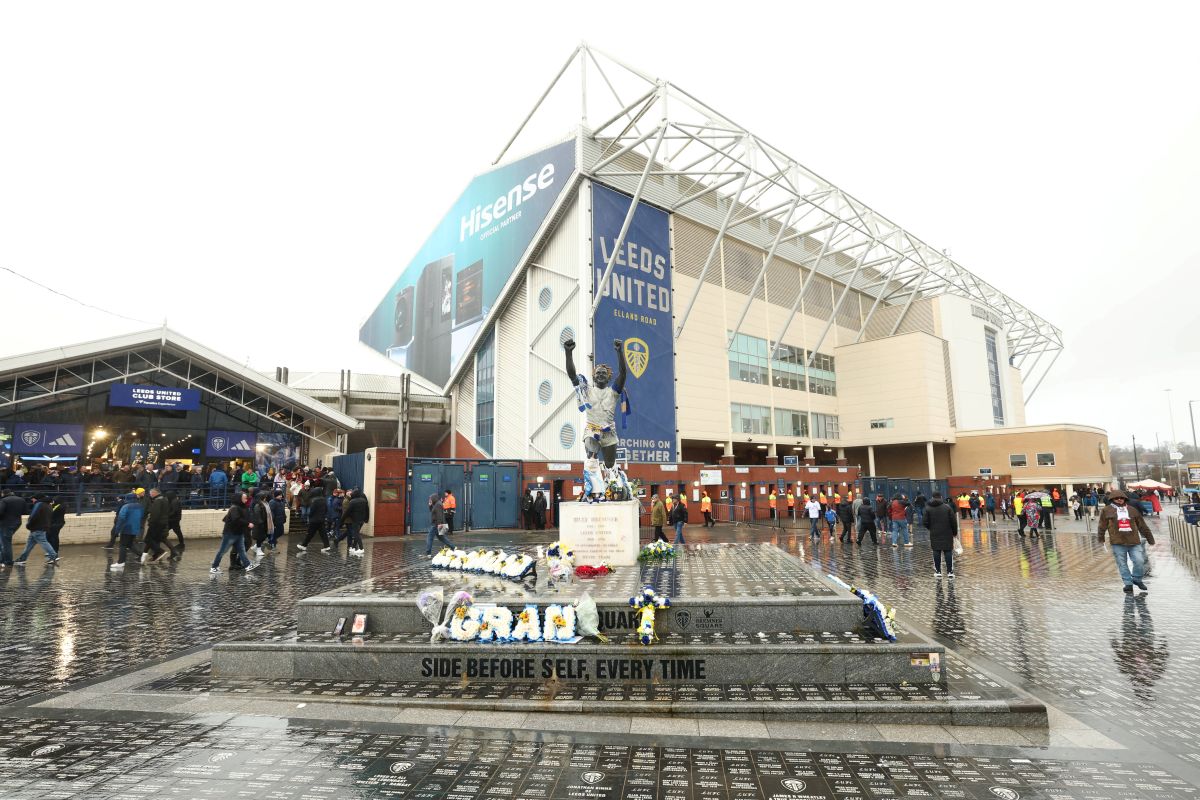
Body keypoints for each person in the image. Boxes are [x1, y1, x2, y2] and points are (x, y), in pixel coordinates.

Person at [1098, 490, 1154, 594]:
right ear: (1112, 499)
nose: (1119, 499)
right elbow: (1102, 526)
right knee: (1122, 564)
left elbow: (1142, 525)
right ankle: (1128, 583)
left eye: (1122, 498)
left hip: (1134, 541)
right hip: (1117, 542)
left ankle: (1137, 579)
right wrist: (1101, 539)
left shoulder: (1132, 510)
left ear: (1125, 499)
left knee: (1139, 561)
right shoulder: (1106, 510)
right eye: (1116, 498)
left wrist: (1150, 538)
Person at [211, 491, 257, 574]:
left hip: (238, 533)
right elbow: (236, 519)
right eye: (244, 498)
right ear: (239, 499)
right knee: (222, 551)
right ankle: (214, 567)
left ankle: (247, 565)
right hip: (230, 533)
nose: (246, 500)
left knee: (242, 550)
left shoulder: (242, 507)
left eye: (246, 498)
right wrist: (248, 524)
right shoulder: (234, 508)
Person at [13, 493, 59, 568]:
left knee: (43, 542)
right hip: (42, 527)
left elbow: (33, 515)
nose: (32, 500)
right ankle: (22, 559)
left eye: (33, 499)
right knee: (29, 544)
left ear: (37, 498)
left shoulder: (39, 504)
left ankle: (54, 556)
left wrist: (28, 524)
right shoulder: (49, 505)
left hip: (37, 528)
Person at [925, 492, 958, 579]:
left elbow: (925, 522)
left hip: (934, 533)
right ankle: (950, 571)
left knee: (936, 551)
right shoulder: (947, 508)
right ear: (941, 497)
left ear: (932, 497)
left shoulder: (928, 508)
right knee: (948, 551)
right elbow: (953, 522)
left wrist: (930, 528)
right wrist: (954, 532)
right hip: (947, 532)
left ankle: (938, 571)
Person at [109, 491, 145, 571]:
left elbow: (121, 518)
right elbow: (142, 516)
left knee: (122, 545)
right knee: (129, 544)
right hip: (135, 528)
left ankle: (121, 562)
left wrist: (117, 530)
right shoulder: (140, 506)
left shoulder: (126, 506)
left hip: (126, 528)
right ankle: (142, 555)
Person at [0, 488, 27, 570]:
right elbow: (25, 511)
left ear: (3, 493)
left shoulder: (4, 500)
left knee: (6, 543)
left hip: (6, 524)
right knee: (4, 541)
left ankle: (8, 561)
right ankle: (2, 559)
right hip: (17, 523)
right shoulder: (21, 500)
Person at [143, 488, 171, 564]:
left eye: (151, 493)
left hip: (156, 523)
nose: (150, 495)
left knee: (147, 539)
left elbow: (155, 514)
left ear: (155, 493)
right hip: (162, 523)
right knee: (155, 540)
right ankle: (155, 556)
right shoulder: (165, 499)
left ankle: (160, 551)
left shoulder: (157, 501)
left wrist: (150, 522)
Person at [341, 489, 369, 556]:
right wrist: (367, 519)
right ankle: (353, 547)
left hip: (355, 520)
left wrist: (342, 519)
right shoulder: (364, 501)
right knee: (357, 533)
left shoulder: (352, 501)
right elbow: (367, 510)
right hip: (362, 520)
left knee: (356, 534)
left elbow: (347, 512)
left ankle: (361, 548)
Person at [166, 490, 185, 557]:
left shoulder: (174, 502)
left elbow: (174, 511)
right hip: (174, 519)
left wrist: (167, 515)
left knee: (177, 531)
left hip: (174, 520)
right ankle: (182, 544)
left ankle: (182, 544)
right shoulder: (173, 501)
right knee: (177, 531)